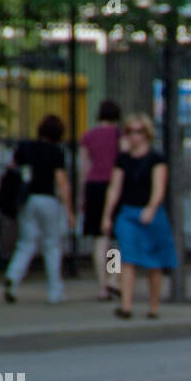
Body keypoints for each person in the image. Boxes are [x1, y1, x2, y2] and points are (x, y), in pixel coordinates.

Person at [100, 113, 177, 319]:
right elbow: (114, 189)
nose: (134, 136)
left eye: (138, 132)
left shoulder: (156, 159)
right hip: (128, 213)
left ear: (146, 134)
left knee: (154, 262)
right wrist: (107, 216)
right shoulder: (123, 159)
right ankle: (126, 306)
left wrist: (151, 209)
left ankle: (154, 307)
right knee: (127, 259)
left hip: (151, 214)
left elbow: (159, 188)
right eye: (129, 132)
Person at [3, 114, 74, 305]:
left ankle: (13, 276)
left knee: (26, 242)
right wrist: (69, 211)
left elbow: (12, 170)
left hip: (26, 199)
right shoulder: (56, 152)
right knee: (52, 245)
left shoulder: (25, 148)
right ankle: (55, 291)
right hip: (48, 199)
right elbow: (61, 182)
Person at [79, 99, 122, 300]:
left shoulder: (88, 136)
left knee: (100, 238)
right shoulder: (118, 135)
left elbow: (84, 168)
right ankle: (114, 278)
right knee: (115, 238)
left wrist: (81, 195)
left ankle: (102, 286)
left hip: (93, 187)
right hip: (114, 185)